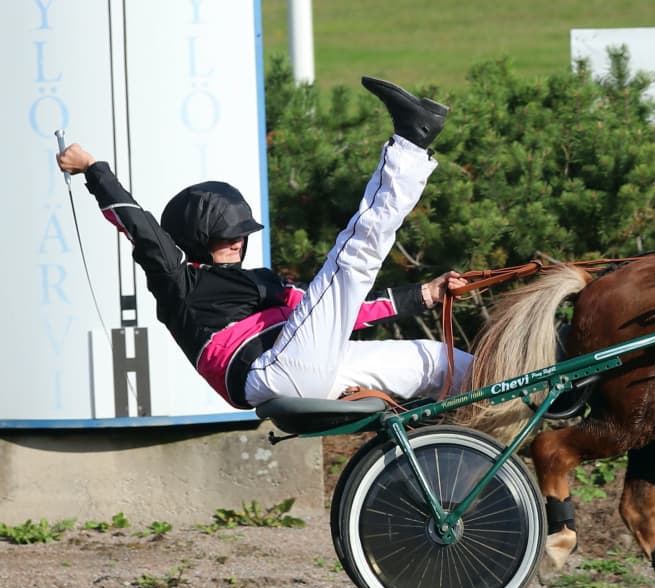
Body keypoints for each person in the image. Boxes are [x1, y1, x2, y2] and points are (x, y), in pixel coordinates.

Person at [56, 76, 472, 409]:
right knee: (352, 259)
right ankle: (411, 142)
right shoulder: (178, 285)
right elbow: (141, 228)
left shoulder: (260, 281)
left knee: (438, 361)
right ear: (196, 240)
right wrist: (93, 169)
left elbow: (344, 311)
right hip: (271, 374)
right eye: (224, 235)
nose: (237, 242)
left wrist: (423, 295)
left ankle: (530, 407)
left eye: (241, 234)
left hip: (314, 363)